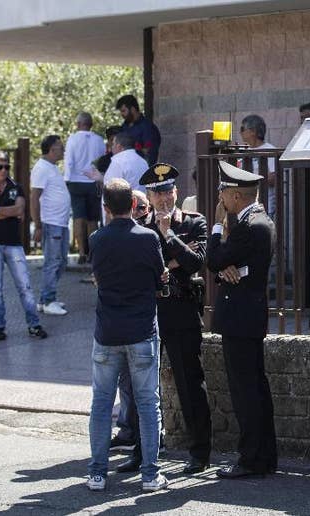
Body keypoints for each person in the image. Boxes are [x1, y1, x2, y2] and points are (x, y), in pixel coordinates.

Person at [87, 178, 167, 492]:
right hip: (142, 331)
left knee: (102, 403)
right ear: (134, 206)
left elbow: (97, 277)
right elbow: (160, 280)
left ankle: (96, 473)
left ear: (106, 208)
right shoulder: (148, 238)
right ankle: (150, 474)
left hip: (108, 330)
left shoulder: (97, 239)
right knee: (149, 404)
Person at [134, 163, 212, 475]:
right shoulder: (139, 226)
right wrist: (173, 260)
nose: (164, 197)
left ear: (176, 192)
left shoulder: (195, 222)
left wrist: (168, 235)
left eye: (168, 191)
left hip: (181, 309)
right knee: (142, 385)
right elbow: (143, 268)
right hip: (149, 312)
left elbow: (196, 263)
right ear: (149, 197)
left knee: (189, 382)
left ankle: (199, 452)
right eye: (157, 192)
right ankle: (143, 451)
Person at [206, 161, 278, 479]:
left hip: (240, 317)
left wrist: (218, 228)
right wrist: (226, 268)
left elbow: (213, 258)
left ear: (235, 196)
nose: (220, 197)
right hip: (248, 315)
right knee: (256, 387)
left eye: (223, 192)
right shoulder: (258, 220)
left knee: (245, 390)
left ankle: (251, 458)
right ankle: (264, 456)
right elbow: (227, 264)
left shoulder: (248, 226)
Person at [0, 151, 47, 341]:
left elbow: (20, 209)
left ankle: (34, 325)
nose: (4, 170)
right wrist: (7, 212)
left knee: (25, 286)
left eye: (7, 166)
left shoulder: (17, 187)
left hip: (14, 243)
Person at [108, 188, 154, 456]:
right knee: (125, 382)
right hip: (123, 324)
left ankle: (146, 448)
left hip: (146, 323)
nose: (137, 214)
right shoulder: (113, 237)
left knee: (147, 391)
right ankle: (127, 430)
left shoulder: (149, 235)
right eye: (135, 209)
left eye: (141, 209)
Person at [30, 135, 72, 316]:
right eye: (60, 148)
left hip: (60, 222)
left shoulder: (52, 167)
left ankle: (45, 299)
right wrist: (38, 225)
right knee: (53, 262)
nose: (63, 150)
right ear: (51, 149)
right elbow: (34, 197)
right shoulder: (41, 168)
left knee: (61, 261)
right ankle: (48, 300)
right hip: (51, 223)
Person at [65, 112, 106, 264]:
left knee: (78, 217)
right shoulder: (99, 140)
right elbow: (102, 161)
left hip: (76, 181)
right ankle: (92, 252)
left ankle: (81, 252)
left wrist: (67, 179)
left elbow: (69, 161)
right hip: (93, 181)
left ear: (78, 124)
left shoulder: (73, 139)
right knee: (92, 219)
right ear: (91, 124)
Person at [238, 114, 278, 218]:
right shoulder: (243, 151)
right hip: (244, 206)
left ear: (253, 131)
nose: (240, 132)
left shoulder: (269, 150)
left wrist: (249, 180)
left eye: (242, 129)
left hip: (264, 206)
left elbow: (273, 178)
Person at [116, 94, 162, 165]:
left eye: (123, 111)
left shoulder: (147, 127)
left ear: (133, 109)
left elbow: (150, 153)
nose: (122, 114)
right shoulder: (124, 127)